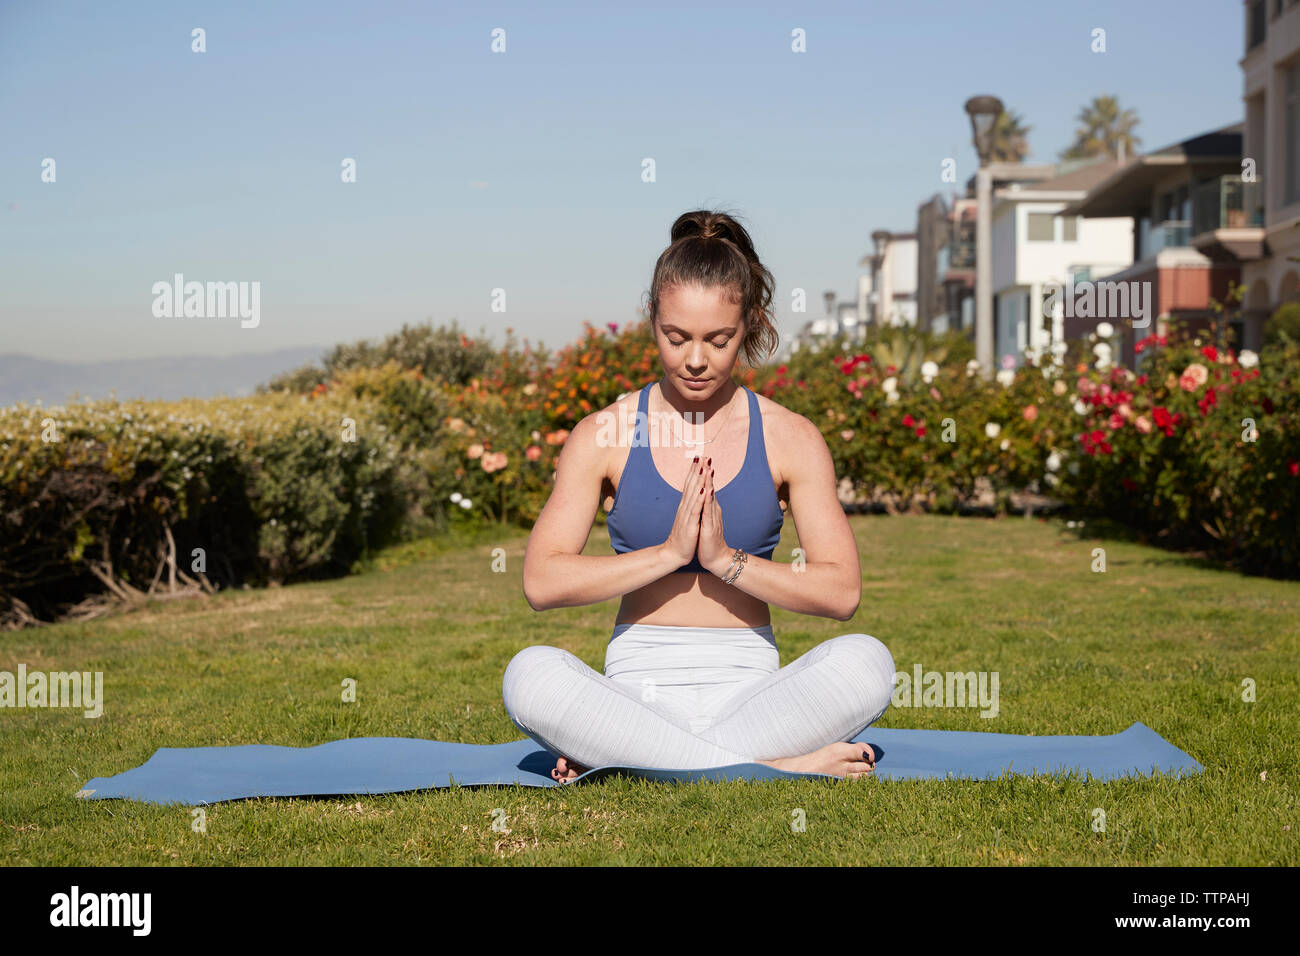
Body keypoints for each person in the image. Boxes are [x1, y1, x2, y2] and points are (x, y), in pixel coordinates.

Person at [505, 209, 896, 783]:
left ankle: (644, 761)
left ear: (750, 325)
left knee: (870, 663)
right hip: (636, 692)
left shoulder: (791, 437)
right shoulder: (604, 433)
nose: (695, 359)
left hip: (755, 696)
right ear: (652, 319)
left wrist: (723, 562)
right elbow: (542, 582)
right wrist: (667, 554)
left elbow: (842, 592)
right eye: (676, 337)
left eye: (719, 340)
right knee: (529, 674)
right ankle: (767, 766)